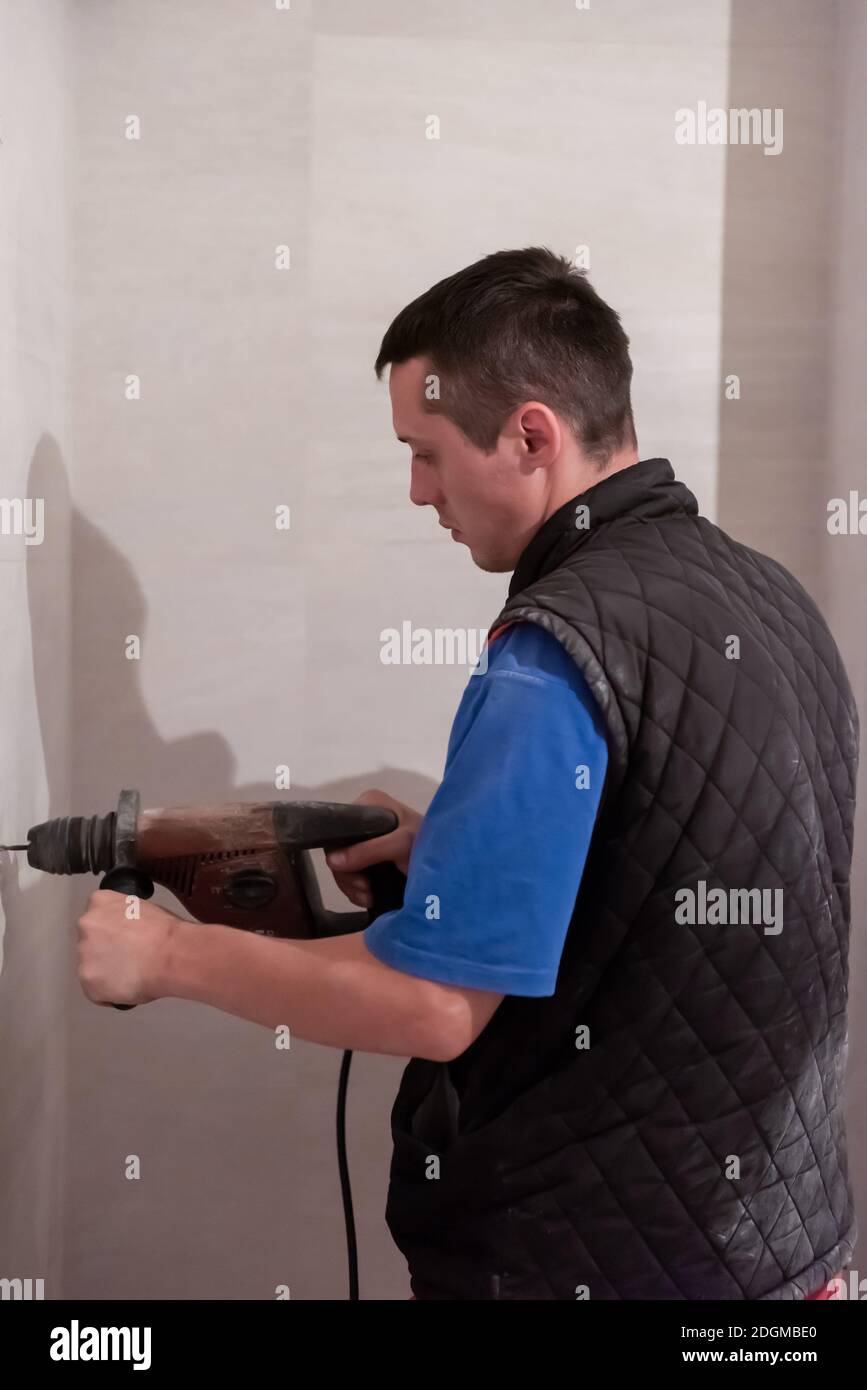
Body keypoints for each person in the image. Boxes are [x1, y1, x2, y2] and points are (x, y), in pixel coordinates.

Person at [78, 247, 858, 1301]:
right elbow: (680, 863)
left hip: (601, 1263)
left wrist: (166, 954)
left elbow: (435, 1004)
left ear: (531, 434)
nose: (415, 491)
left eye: (428, 452)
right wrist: (459, 838)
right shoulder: (770, 598)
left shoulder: (554, 650)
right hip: (789, 1252)